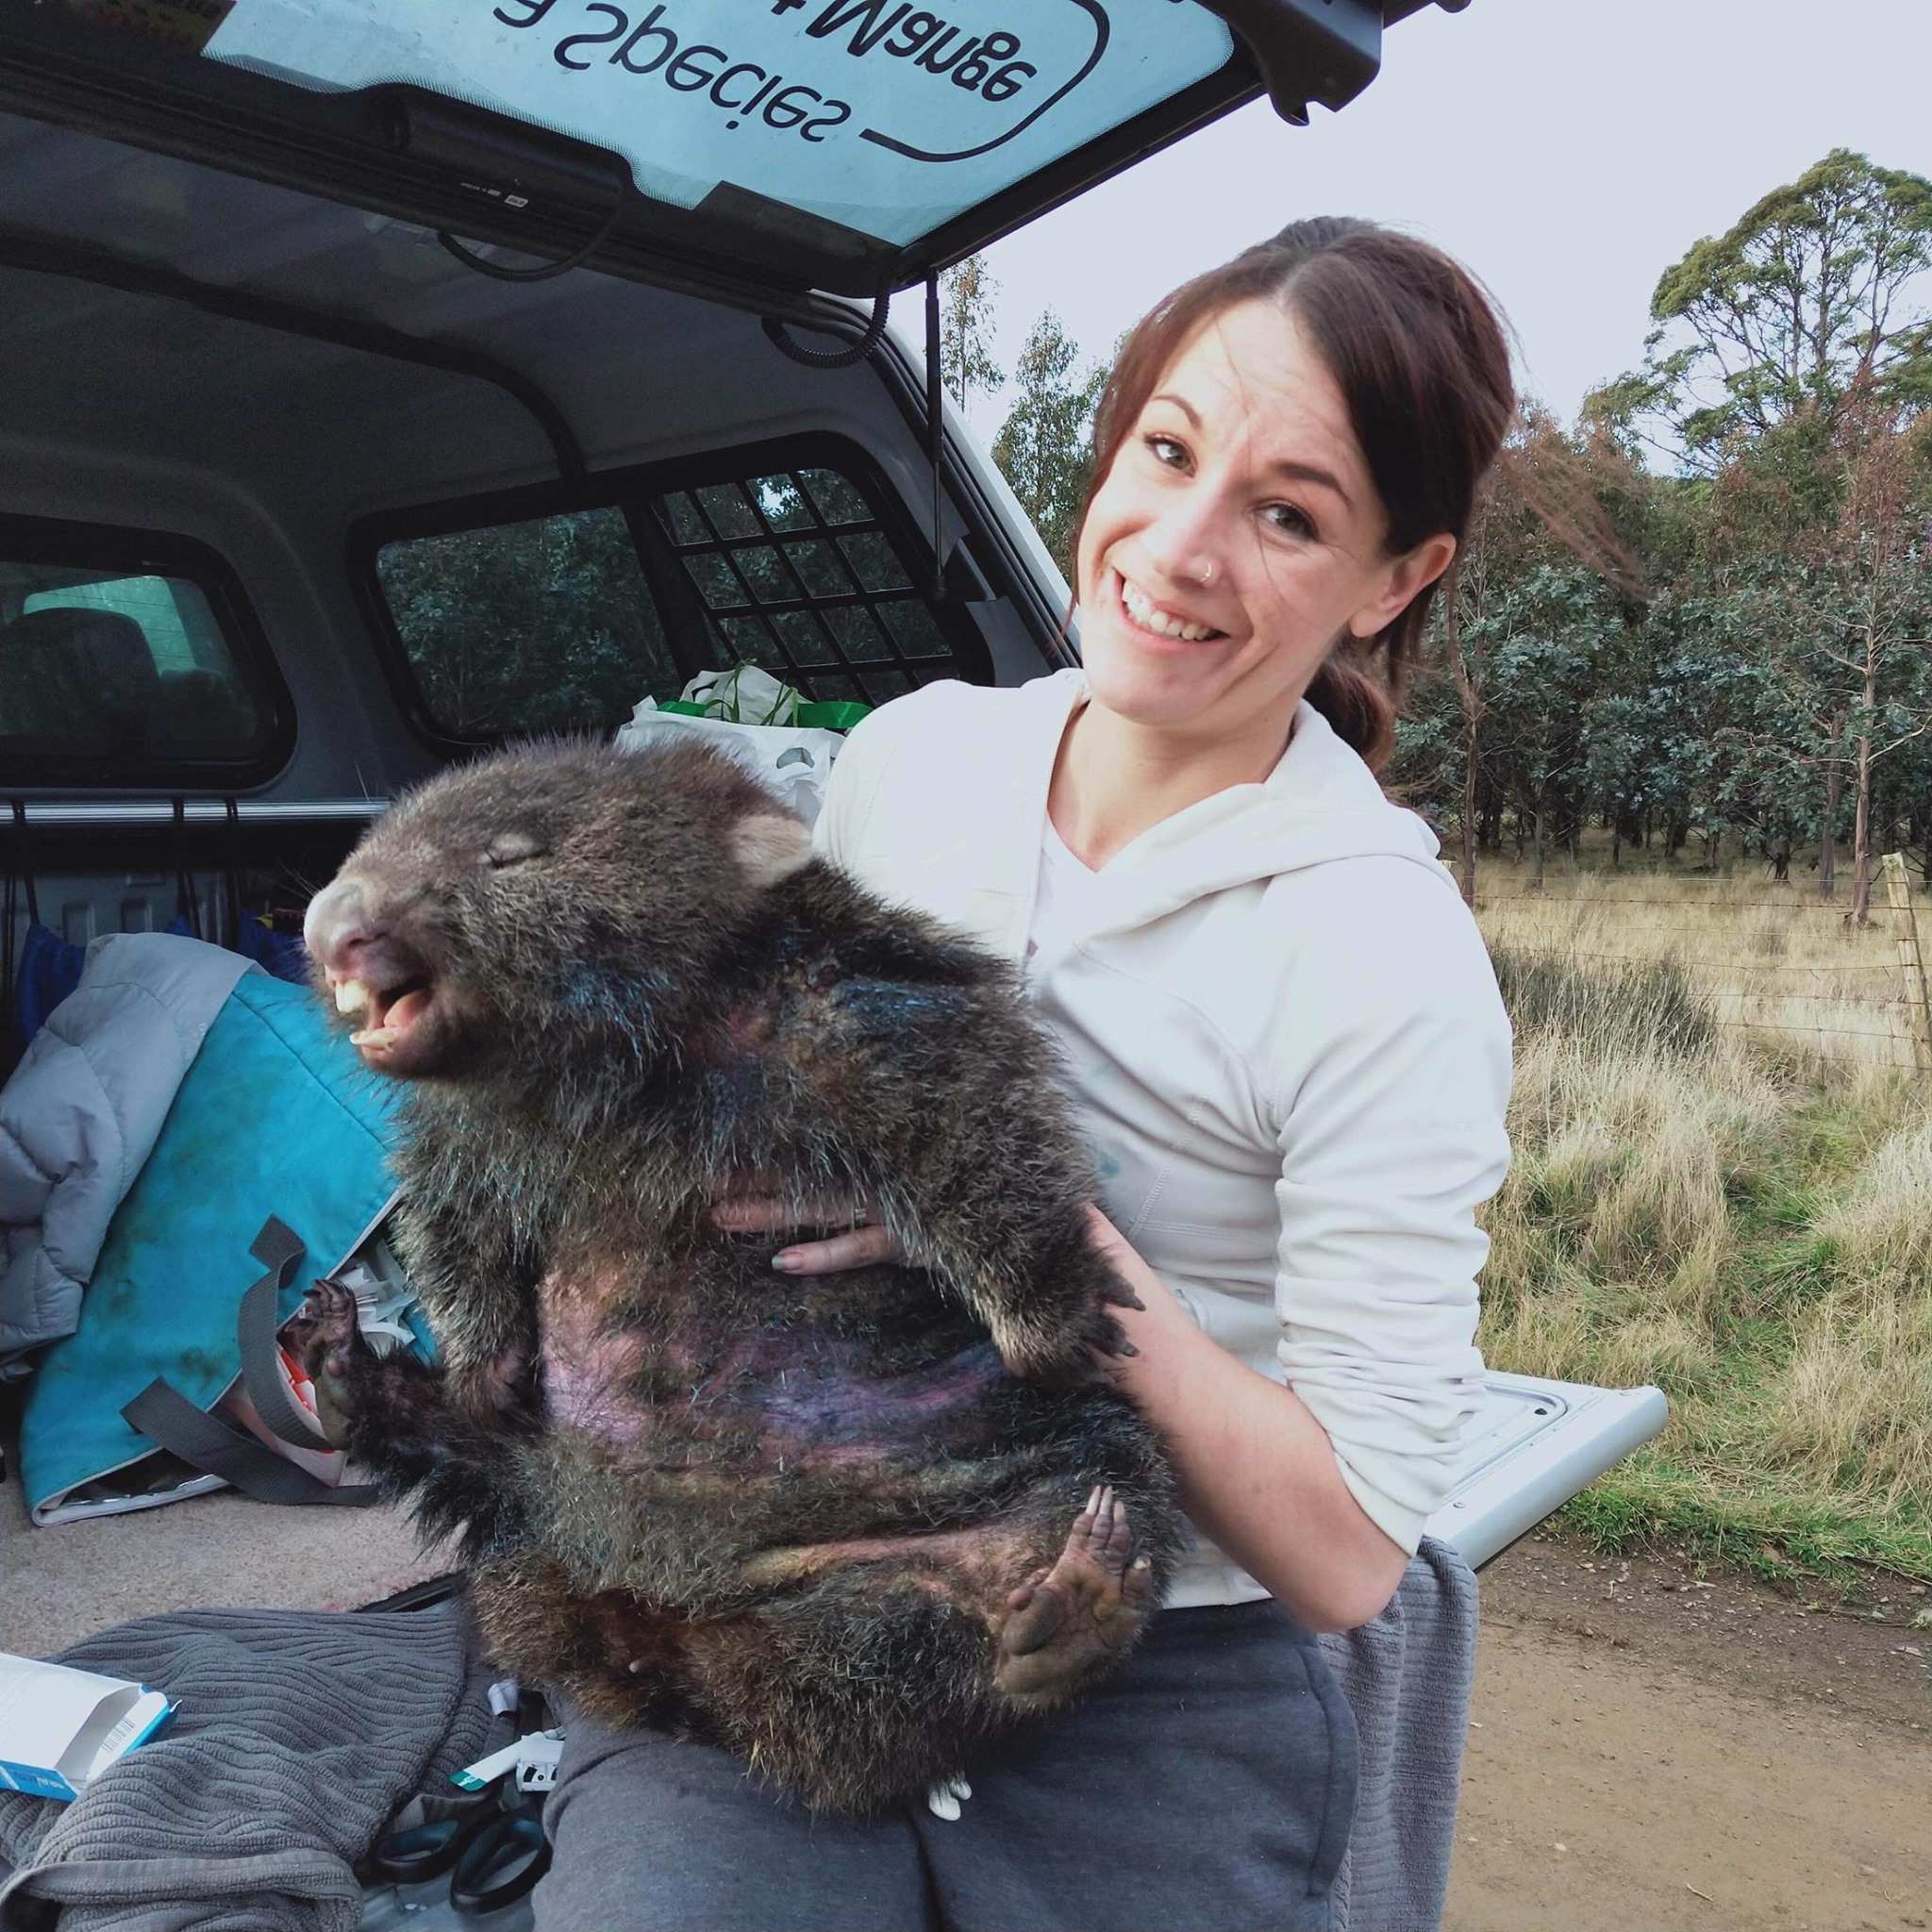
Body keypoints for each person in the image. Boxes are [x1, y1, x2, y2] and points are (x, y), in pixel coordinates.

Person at [534, 216, 1517, 1932]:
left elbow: (1350, 1554)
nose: (1182, 549)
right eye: (1167, 451)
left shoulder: (1381, 953)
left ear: (1393, 579)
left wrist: (1025, 1242)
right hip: (794, 1560)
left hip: (1147, 1639)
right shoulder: (915, 757)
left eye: (1288, 514)